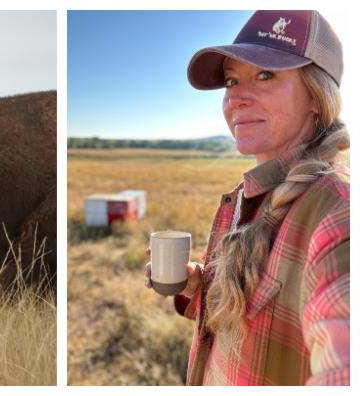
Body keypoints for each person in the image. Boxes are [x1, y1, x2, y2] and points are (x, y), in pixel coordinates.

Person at [144, 10, 349, 386]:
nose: (236, 97)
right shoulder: (247, 197)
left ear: (317, 97)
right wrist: (199, 285)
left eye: (266, 75)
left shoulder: (338, 211)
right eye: (231, 80)